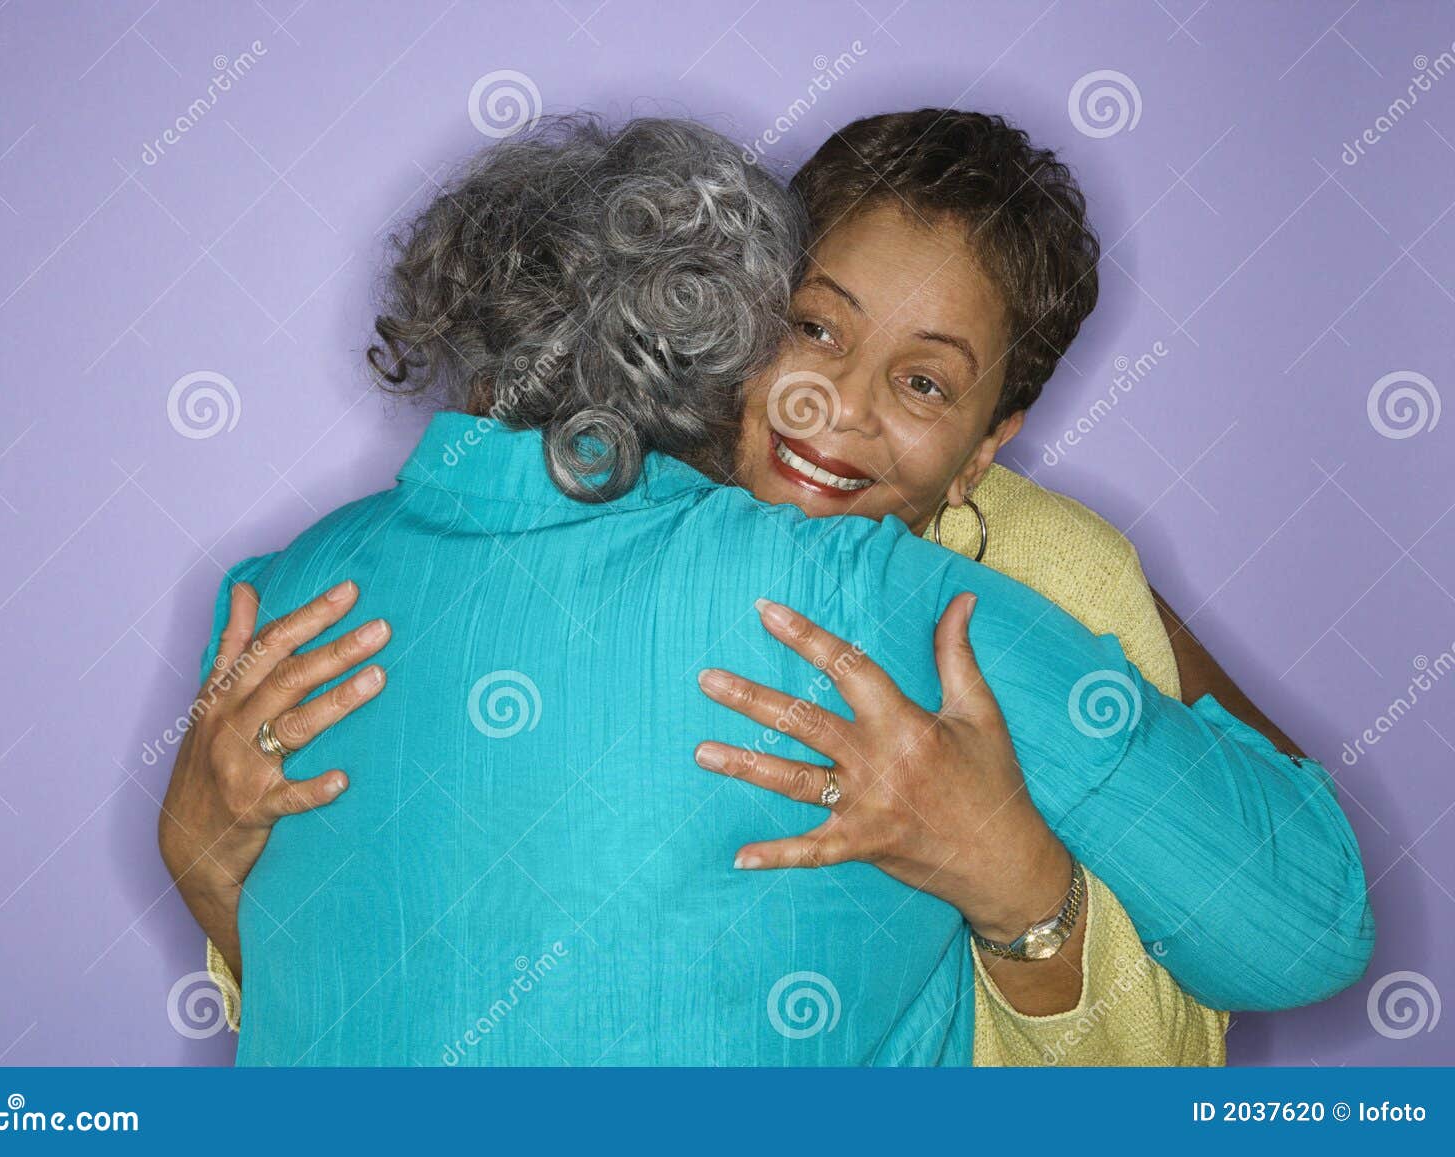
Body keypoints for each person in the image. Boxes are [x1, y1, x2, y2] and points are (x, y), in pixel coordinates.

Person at [160, 117, 1371, 1066]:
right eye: (814, 330)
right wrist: (210, 872)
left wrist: (1018, 887)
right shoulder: (605, 526)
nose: (835, 409)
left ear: (990, 442)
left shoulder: (1054, 572)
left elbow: (1249, 963)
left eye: (927, 385)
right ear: (734, 318)